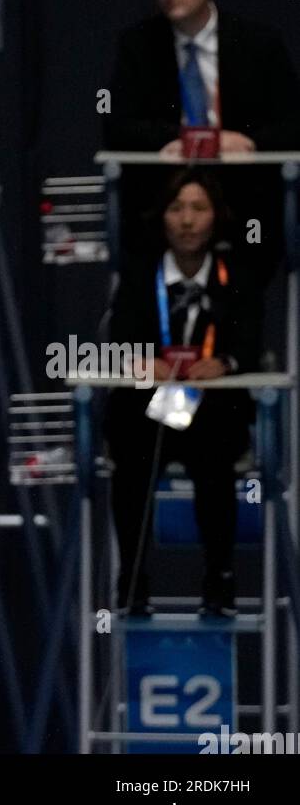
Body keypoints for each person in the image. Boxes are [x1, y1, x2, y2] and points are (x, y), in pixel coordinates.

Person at [103, 168, 261, 618]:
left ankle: (219, 578)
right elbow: (118, 342)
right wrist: (141, 362)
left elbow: (248, 344)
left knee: (215, 459)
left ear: (216, 217)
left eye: (198, 209)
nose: (187, 221)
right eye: (177, 209)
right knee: (130, 458)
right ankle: (132, 579)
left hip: (211, 413)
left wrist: (225, 363)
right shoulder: (138, 275)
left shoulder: (237, 277)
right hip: (149, 411)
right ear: (163, 218)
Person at [105, 0, 300, 278]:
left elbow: (293, 122)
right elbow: (116, 126)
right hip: (164, 203)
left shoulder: (258, 43)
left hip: (245, 204)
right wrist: (179, 139)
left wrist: (249, 142)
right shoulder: (137, 46)